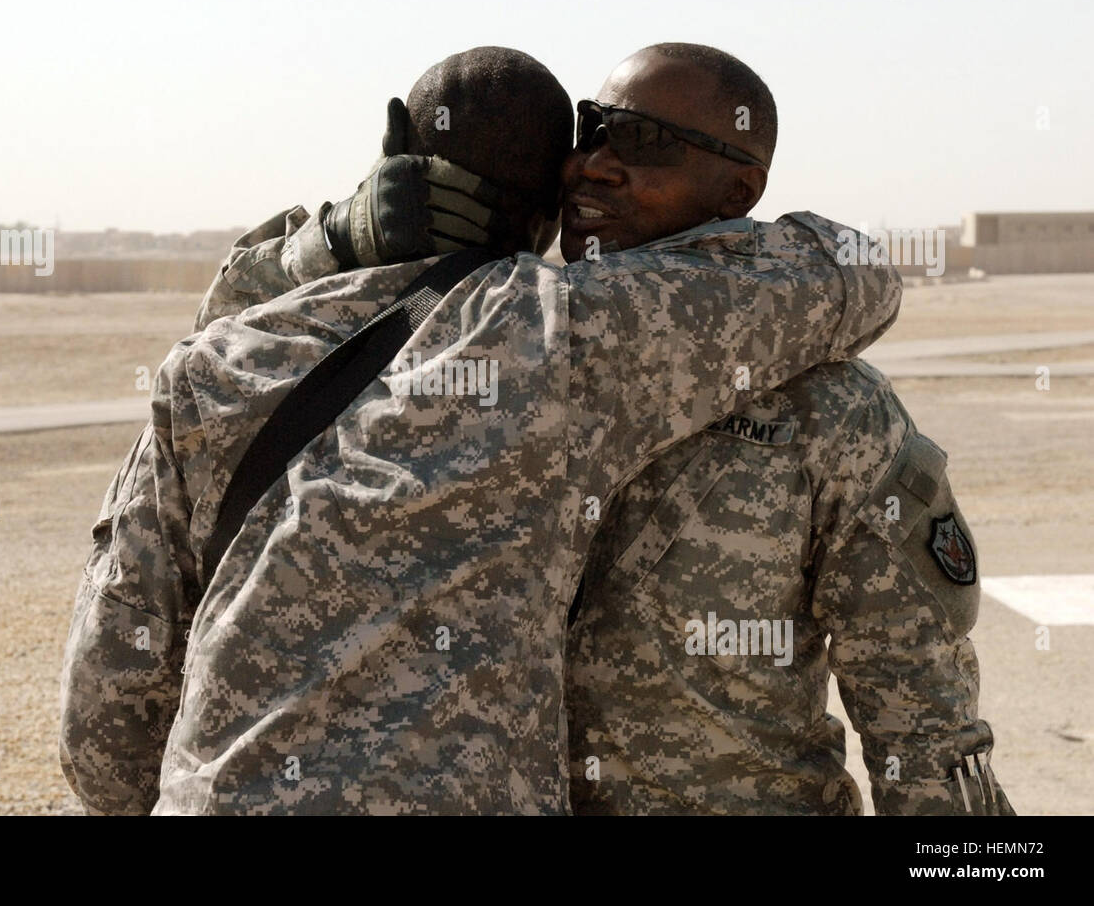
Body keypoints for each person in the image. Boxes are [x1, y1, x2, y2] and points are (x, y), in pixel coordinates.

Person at [60, 43, 901, 814]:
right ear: (550, 199)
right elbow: (850, 275)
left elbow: (106, 714)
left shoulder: (216, 363)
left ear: (390, 148)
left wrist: (327, 241)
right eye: (591, 137)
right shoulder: (556, 337)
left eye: (637, 141)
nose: (598, 166)